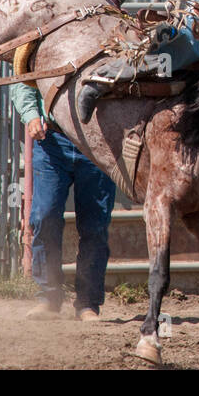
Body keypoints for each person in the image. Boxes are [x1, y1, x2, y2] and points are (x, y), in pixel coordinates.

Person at [11, 79, 117, 321]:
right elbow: (25, 77)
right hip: (52, 139)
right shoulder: (41, 40)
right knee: (44, 215)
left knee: (95, 225)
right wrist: (31, 115)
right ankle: (48, 297)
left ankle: (87, 303)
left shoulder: (108, 41)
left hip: (98, 140)